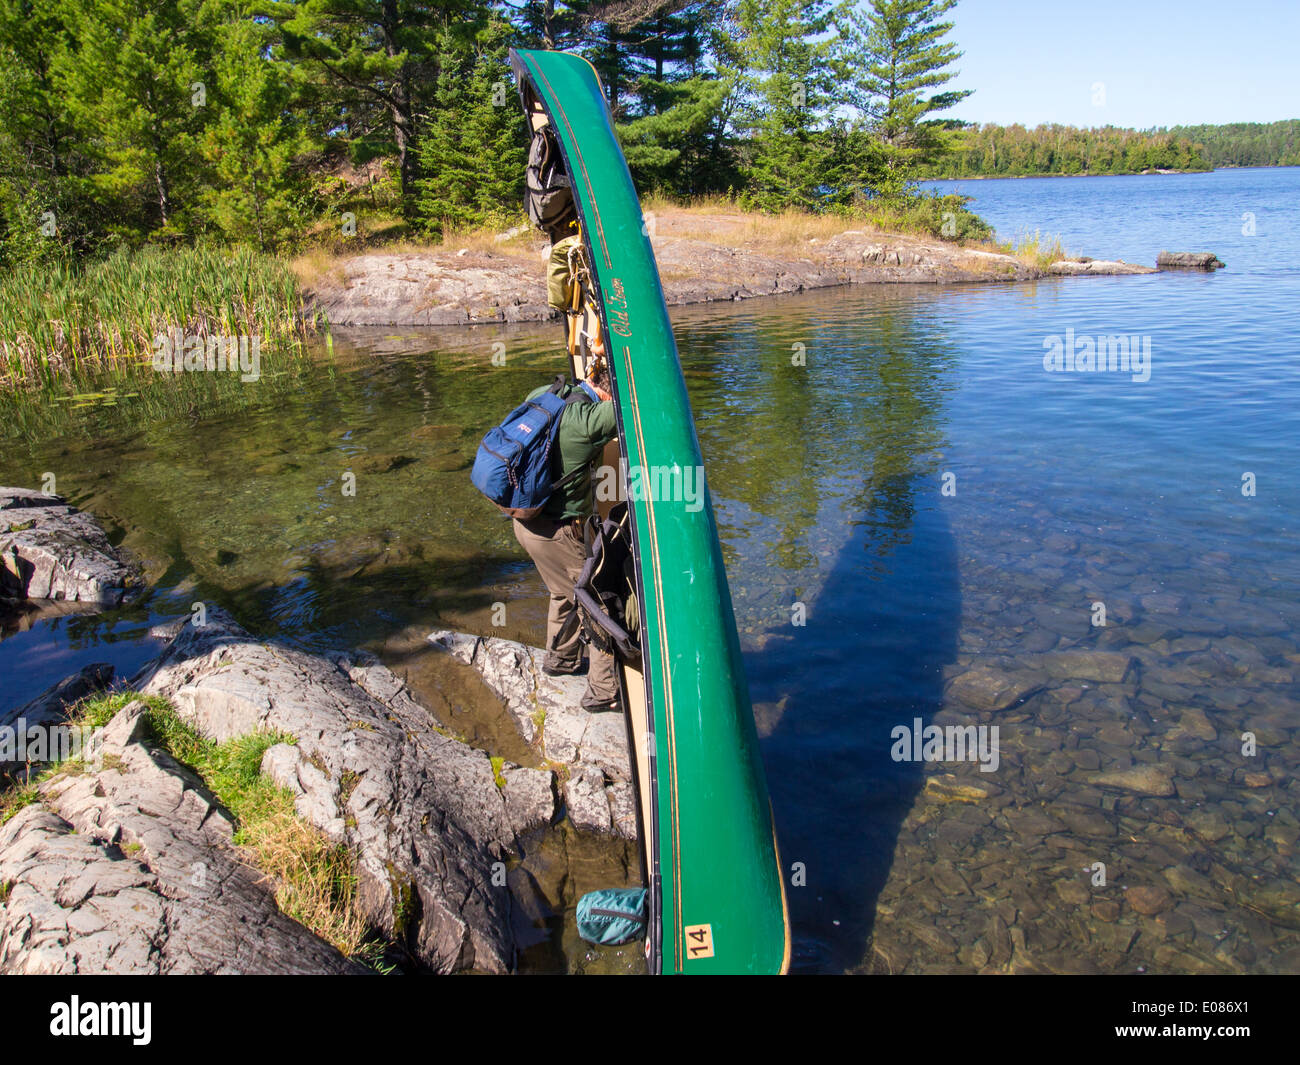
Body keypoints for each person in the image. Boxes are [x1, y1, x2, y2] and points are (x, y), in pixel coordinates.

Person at [512, 367, 619, 712]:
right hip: (560, 532)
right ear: (604, 396)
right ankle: (604, 692)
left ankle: (560, 660)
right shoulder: (593, 420)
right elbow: (636, 402)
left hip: (524, 522)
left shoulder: (546, 393)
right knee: (598, 601)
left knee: (563, 591)